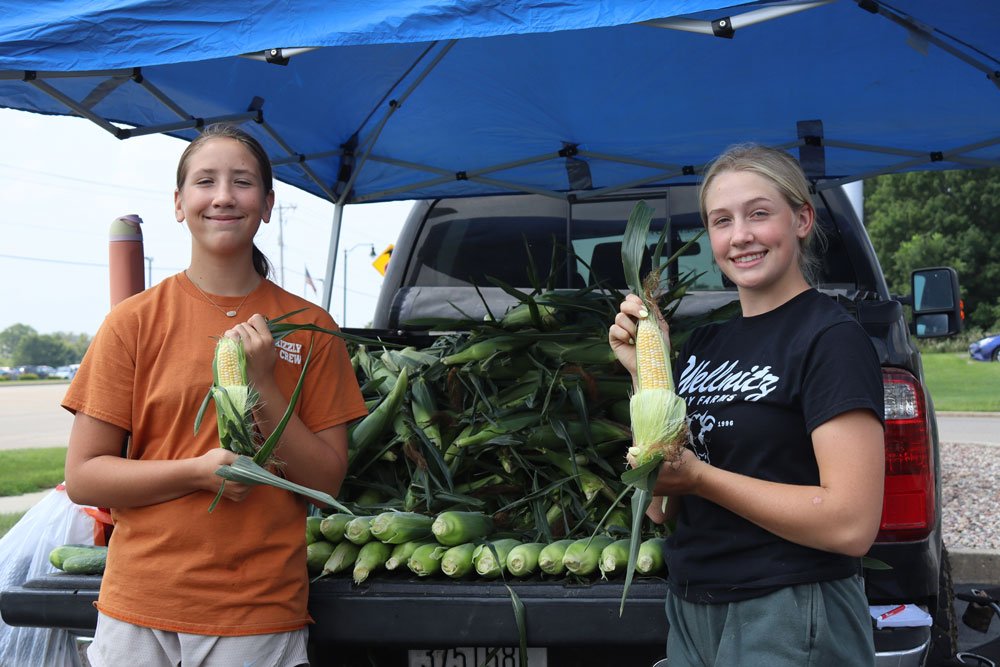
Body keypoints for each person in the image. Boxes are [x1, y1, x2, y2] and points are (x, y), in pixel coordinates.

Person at [63, 123, 368, 667]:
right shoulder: (132, 322)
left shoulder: (310, 326)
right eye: (205, 182)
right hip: (140, 605)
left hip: (256, 611)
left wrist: (264, 384)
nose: (223, 196)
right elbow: (86, 475)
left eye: (243, 182)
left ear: (268, 205)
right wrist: (196, 472)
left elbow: (324, 483)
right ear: (179, 204)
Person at [608, 144, 885, 666]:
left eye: (759, 213)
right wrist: (649, 376)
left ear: (802, 219)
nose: (740, 236)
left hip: (789, 609)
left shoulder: (829, 339)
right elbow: (662, 508)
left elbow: (851, 525)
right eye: (721, 220)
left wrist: (700, 478)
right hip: (693, 606)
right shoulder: (703, 345)